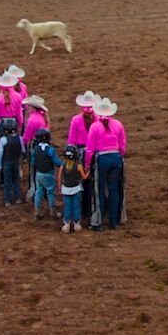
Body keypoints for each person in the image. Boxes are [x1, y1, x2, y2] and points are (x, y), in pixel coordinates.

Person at [86, 97, 127, 231]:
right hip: (115, 157)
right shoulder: (118, 125)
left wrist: (87, 163)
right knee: (114, 189)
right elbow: (122, 146)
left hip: (102, 158)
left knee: (99, 190)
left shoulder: (95, 126)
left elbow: (90, 148)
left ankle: (99, 221)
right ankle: (114, 221)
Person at [68, 92, 98, 221]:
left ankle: (83, 210)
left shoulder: (76, 120)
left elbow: (71, 140)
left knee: (81, 183)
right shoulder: (98, 119)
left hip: (81, 152)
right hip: (95, 152)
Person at [30, 128, 64, 221]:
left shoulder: (35, 150)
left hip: (38, 174)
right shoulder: (50, 150)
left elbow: (33, 162)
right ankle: (52, 212)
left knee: (38, 192)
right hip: (48, 174)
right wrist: (65, 164)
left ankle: (37, 212)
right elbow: (57, 162)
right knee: (50, 193)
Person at [0, 105, 25, 206]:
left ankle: (7, 200)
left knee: (7, 182)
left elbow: (0, 153)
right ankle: (18, 198)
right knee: (16, 180)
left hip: (7, 163)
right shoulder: (20, 138)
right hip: (16, 162)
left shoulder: (3, 140)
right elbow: (22, 150)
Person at [58, 145, 88, 233]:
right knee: (76, 206)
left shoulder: (63, 165)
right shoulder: (78, 166)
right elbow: (84, 177)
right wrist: (89, 170)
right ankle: (76, 224)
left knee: (67, 206)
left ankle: (66, 224)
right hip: (76, 189)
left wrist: (59, 187)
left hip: (66, 189)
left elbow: (59, 177)